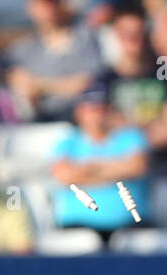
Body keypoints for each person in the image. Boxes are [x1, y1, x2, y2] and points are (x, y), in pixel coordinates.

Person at [97, 9, 167, 174]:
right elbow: (99, 125)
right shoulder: (104, 79)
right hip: (120, 164)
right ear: (116, 36)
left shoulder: (164, 73)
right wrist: (154, 125)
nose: (134, 39)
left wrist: (130, 131)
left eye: (139, 33)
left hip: (165, 163)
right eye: (127, 34)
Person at [4, 0, 105, 122]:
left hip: (77, 120)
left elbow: (87, 82)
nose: (47, 8)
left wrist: (41, 86)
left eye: (52, 1)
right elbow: (6, 72)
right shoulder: (25, 47)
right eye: (42, 2)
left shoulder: (84, 37)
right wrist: (17, 79)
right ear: (31, 7)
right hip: (38, 121)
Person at [49, 85, 149, 233]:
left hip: (129, 224)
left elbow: (137, 167)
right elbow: (64, 176)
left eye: (102, 109)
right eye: (92, 110)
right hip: (77, 224)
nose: (98, 115)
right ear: (79, 112)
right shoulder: (68, 142)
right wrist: (117, 174)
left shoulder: (130, 137)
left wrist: (87, 170)